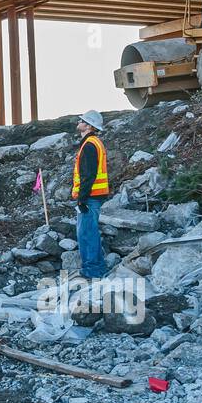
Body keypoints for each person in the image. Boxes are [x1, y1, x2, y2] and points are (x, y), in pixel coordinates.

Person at [71, 110, 110, 280]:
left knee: (86, 233)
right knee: (90, 231)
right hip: (95, 195)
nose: (78, 122)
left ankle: (92, 270)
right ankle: (98, 267)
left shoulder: (89, 145)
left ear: (88, 125)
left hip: (91, 196)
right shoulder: (93, 143)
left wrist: (82, 198)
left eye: (81, 120)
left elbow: (88, 175)